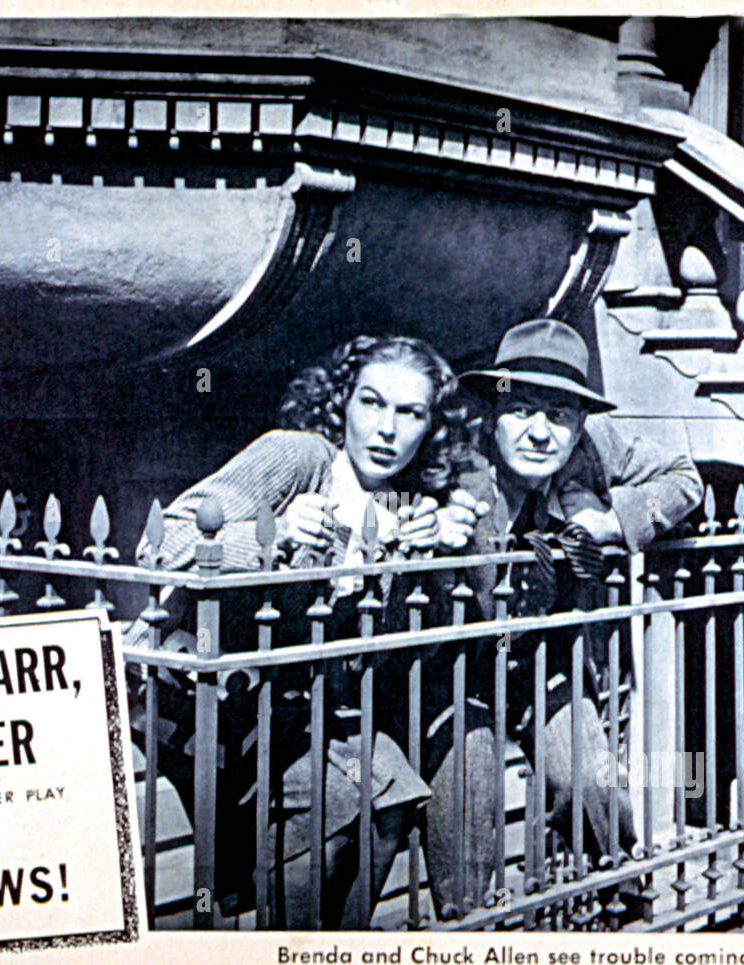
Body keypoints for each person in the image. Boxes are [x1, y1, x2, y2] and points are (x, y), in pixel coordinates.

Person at [126, 335, 487, 928]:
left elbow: (385, 656)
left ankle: (337, 960)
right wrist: (274, 534)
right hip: (197, 696)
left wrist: (424, 562)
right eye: (372, 403)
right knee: (340, 795)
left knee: (392, 794)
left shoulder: (404, 500)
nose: (386, 429)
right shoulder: (296, 458)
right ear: (342, 402)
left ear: (430, 426)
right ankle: (283, 955)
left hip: (294, 708)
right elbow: (161, 542)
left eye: (410, 413)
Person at [436, 318, 703, 915]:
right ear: (491, 412)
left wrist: (615, 520)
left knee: (595, 783)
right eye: (523, 410)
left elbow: (685, 478)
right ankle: (470, 928)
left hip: (541, 667)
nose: (539, 433)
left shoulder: (594, 450)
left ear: (581, 422)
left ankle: (617, 903)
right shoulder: (447, 462)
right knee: (468, 790)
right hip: (452, 676)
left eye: (558, 416)